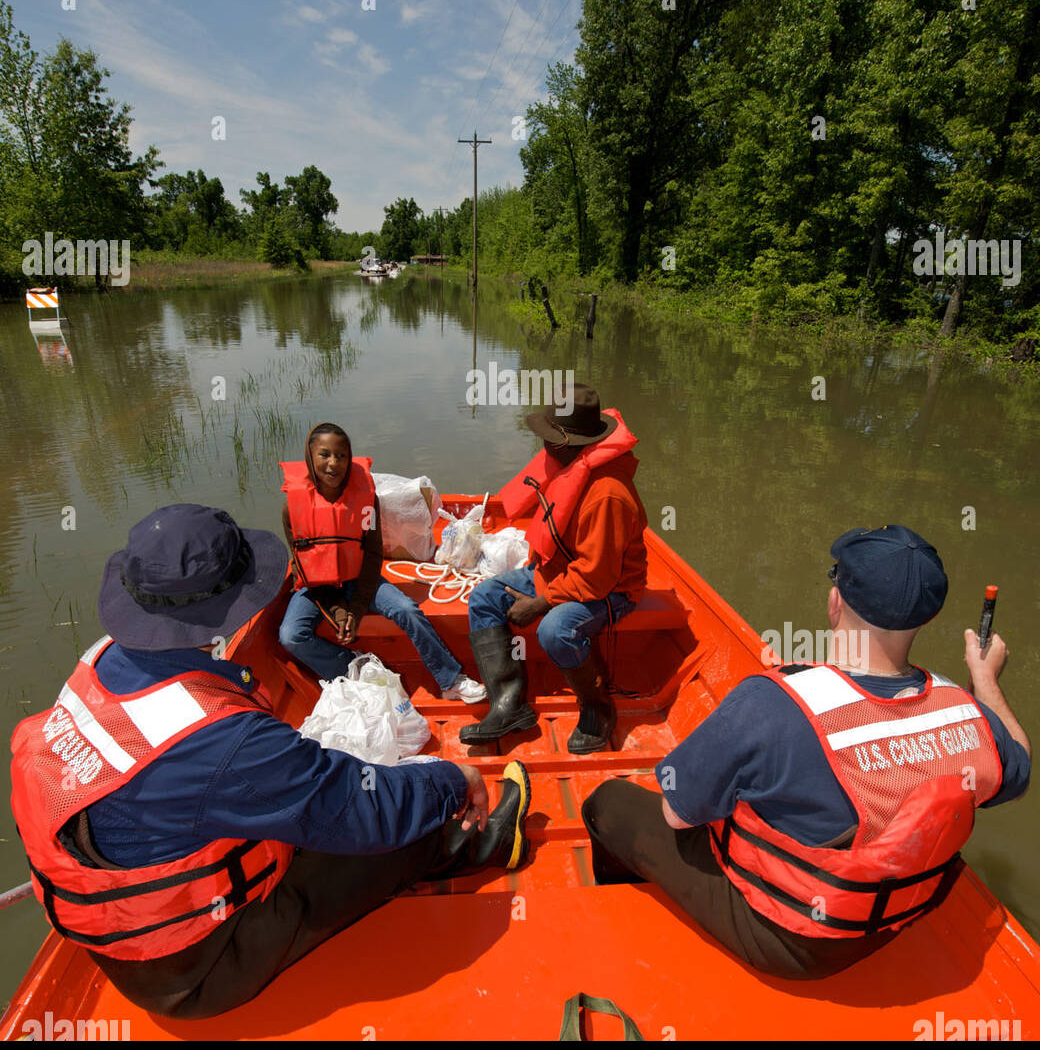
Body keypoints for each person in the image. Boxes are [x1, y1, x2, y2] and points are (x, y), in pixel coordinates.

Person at [9, 504, 530, 1019]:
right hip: (197, 969)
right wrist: (450, 778)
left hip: (125, 942)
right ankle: (479, 842)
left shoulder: (98, 662)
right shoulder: (223, 740)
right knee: (392, 827)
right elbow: (354, 806)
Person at [581, 525, 1031, 980]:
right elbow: (1020, 767)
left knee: (608, 802)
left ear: (836, 602)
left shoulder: (772, 702)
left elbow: (678, 816)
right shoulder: (967, 713)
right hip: (892, 922)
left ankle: (625, 916)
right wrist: (985, 679)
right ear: (928, 619)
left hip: (788, 942)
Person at [461, 383, 648, 754]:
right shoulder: (569, 464)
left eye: (548, 436)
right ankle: (509, 705)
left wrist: (540, 602)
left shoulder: (609, 493)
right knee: (484, 598)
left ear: (566, 442)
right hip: (562, 574)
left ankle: (597, 708)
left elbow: (596, 577)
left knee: (555, 630)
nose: (542, 443)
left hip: (612, 590)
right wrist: (538, 577)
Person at [278, 422, 485, 702]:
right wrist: (340, 612)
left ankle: (450, 680)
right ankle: (354, 665)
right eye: (324, 455)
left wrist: (357, 607)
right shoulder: (292, 508)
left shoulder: (366, 500)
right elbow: (303, 566)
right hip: (317, 586)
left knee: (407, 610)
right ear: (309, 457)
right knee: (290, 635)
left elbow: (373, 554)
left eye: (341, 456)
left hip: (359, 577)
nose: (333, 463)